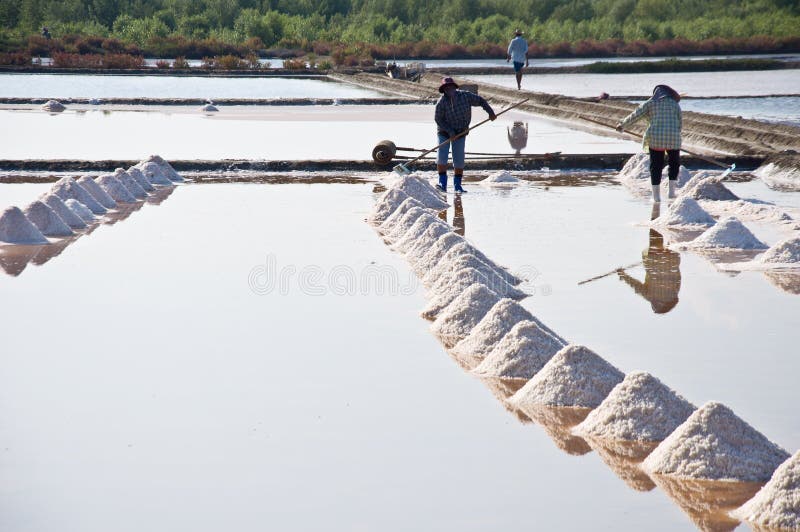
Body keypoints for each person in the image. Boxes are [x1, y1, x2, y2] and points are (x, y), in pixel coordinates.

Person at [617, 84, 682, 203]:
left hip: (656, 138)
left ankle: (656, 197)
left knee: (656, 166)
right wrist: (674, 135)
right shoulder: (674, 104)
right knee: (674, 164)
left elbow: (635, 115)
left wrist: (622, 126)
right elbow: (679, 123)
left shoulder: (650, 103)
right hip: (674, 139)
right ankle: (672, 192)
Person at [435, 77, 496, 193]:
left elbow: (481, 101)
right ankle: (442, 183)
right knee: (442, 157)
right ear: (444, 90)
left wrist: (490, 112)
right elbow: (438, 119)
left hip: (461, 132)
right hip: (444, 132)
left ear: (455, 87)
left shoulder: (465, 96)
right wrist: (450, 132)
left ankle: (457, 185)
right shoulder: (441, 102)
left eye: (451, 87)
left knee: (459, 159)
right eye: (447, 88)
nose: (450, 90)